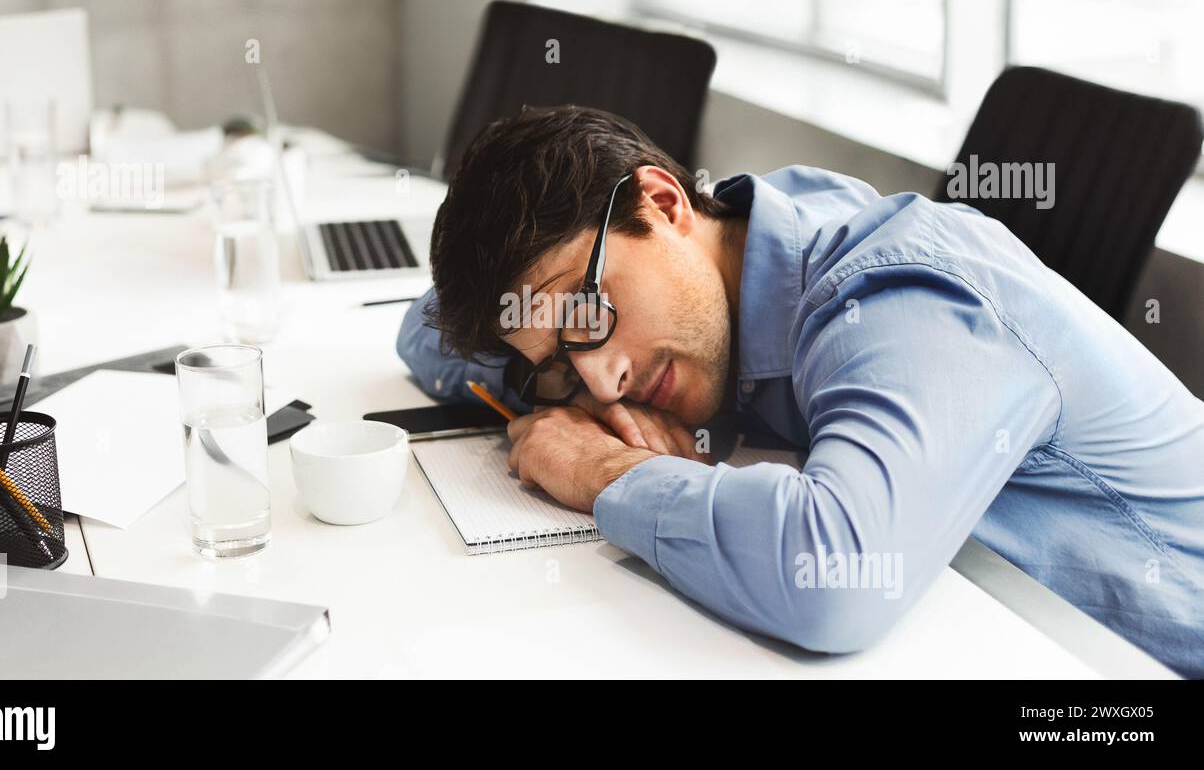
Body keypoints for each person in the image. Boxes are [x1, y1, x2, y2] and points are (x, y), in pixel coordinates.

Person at [397, 105, 1204, 677]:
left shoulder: (896, 293)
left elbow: (840, 575)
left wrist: (602, 467)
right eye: (564, 361)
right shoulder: (747, 234)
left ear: (665, 202)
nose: (603, 378)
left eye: (589, 311)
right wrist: (554, 378)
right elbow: (421, 330)